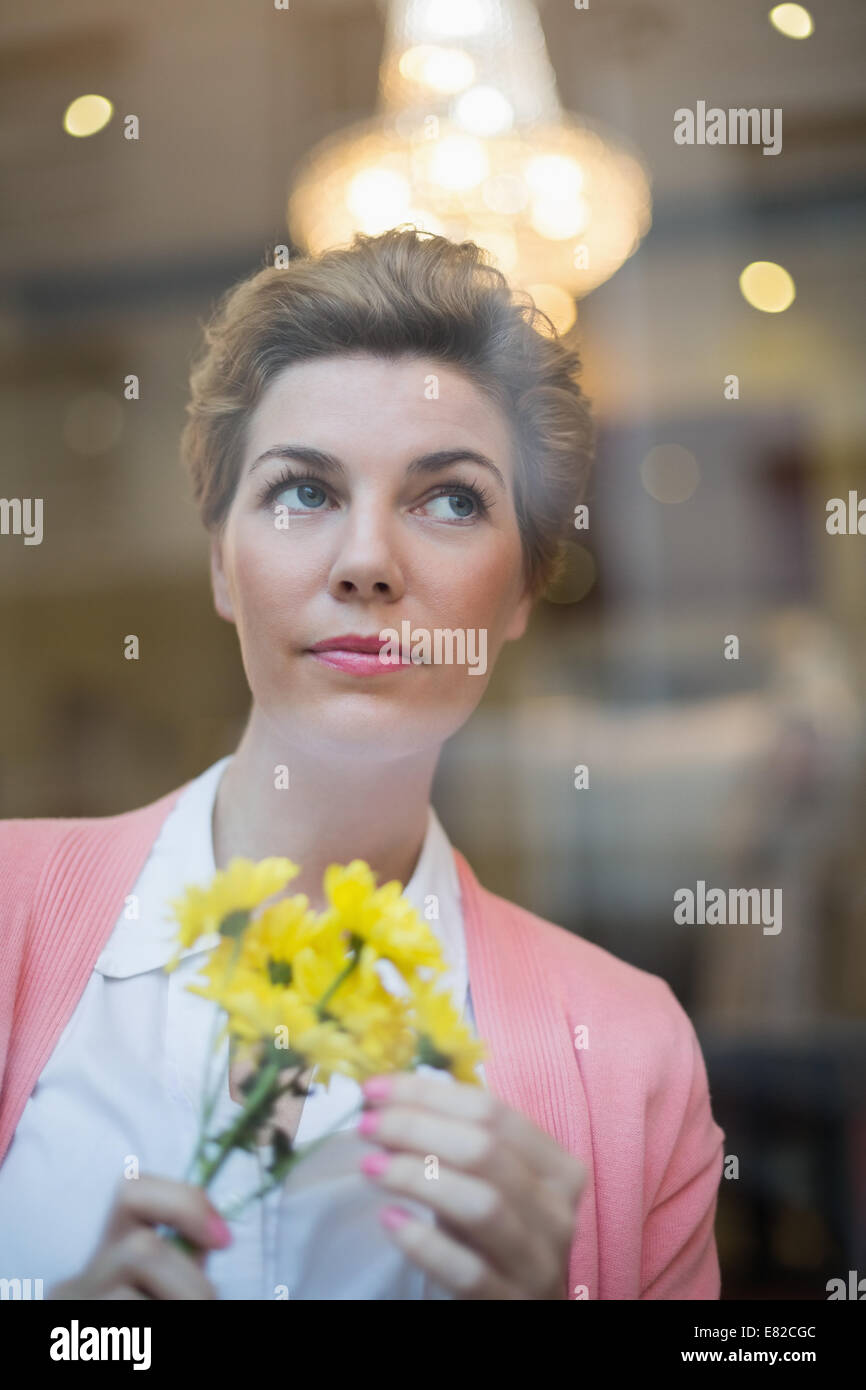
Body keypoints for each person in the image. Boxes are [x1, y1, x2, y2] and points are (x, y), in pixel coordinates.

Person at [0, 227, 724, 1300]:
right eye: (304, 489)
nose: (367, 563)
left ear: (522, 589)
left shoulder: (627, 1053)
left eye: (448, 499)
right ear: (219, 563)